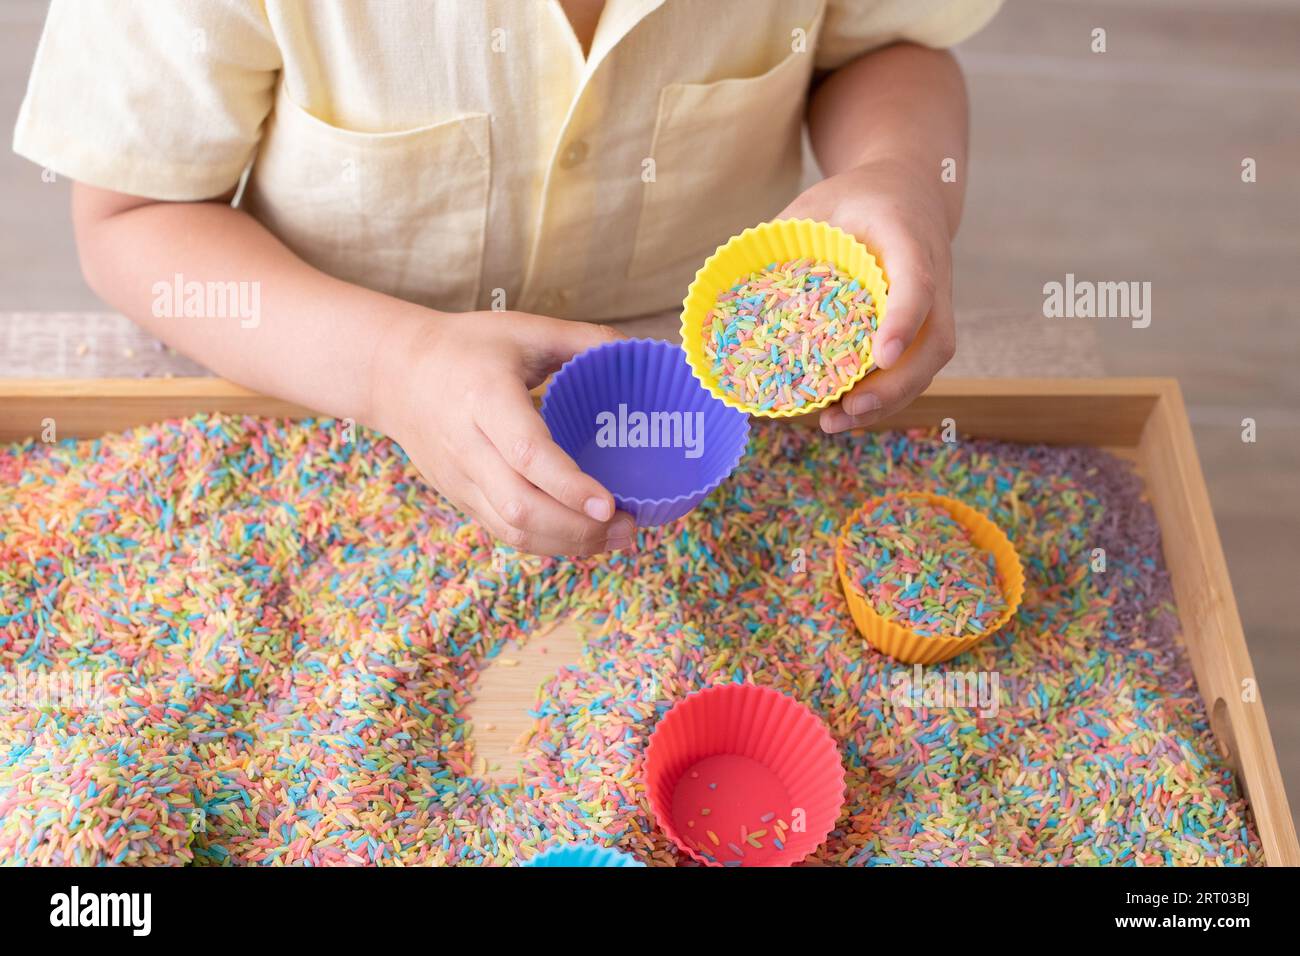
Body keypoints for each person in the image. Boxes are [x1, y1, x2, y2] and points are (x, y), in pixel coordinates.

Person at [14, 0, 1001, 556]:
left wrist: (896, 169)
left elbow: (886, 47)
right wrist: (388, 365)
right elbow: (134, 215)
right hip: (317, 370)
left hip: (696, 372)